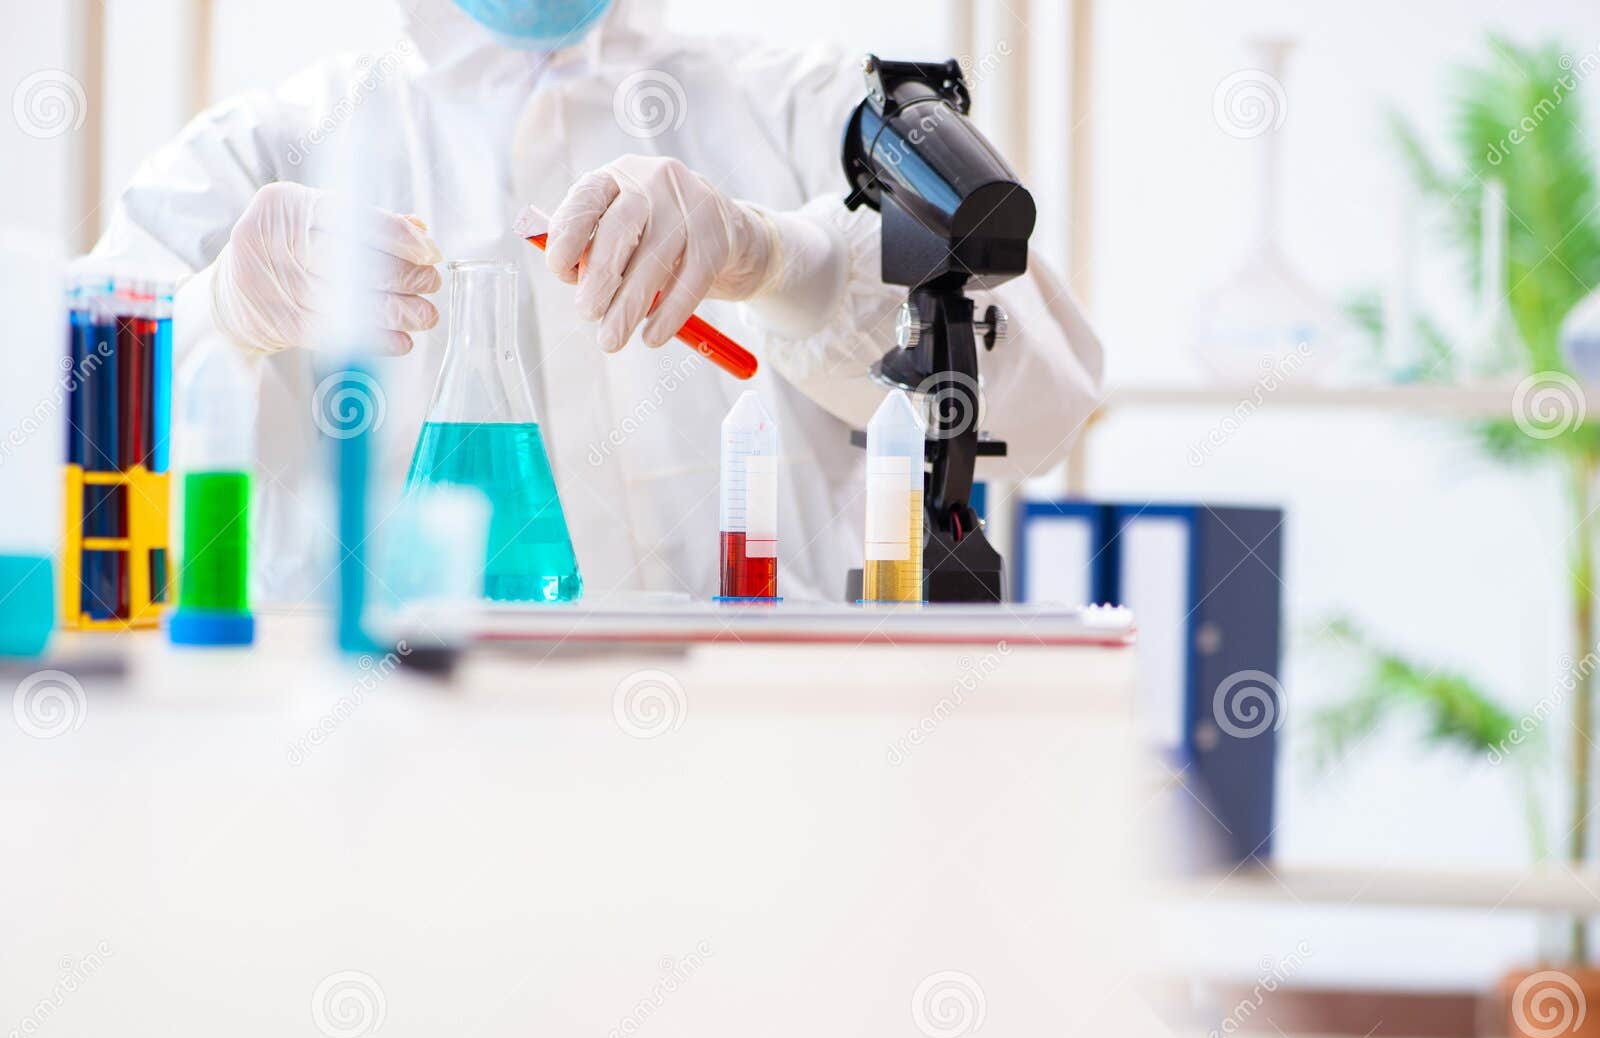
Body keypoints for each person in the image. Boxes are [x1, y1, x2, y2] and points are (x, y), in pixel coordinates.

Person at [92, 0, 1102, 602]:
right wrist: (219, 314)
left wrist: (782, 258)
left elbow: (1045, 403)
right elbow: (57, 441)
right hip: (396, 798)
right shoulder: (268, 149)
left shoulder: (799, 104)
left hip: (771, 775)